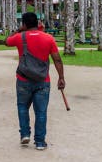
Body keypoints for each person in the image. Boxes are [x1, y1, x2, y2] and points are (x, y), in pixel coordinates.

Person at [5, 12, 65, 151]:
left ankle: (25, 134)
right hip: (43, 80)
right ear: (38, 23)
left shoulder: (20, 37)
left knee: (22, 107)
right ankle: (39, 142)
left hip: (23, 79)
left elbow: (7, 41)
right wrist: (61, 77)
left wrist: (19, 30)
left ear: (24, 24)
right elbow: (57, 59)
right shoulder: (49, 38)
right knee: (41, 112)